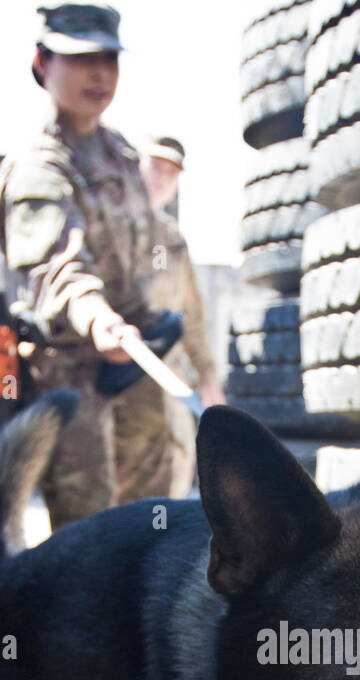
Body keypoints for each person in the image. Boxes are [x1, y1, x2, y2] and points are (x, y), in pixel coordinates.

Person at [0, 4, 186, 528]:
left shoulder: (121, 155)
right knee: (86, 535)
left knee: (151, 523)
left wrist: (152, 324)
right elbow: (58, 268)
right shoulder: (39, 166)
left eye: (108, 59)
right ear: (42, 63)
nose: (98, 73)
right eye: (79, 59)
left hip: (135, 360)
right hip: (73, 371)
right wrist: (99, 319)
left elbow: (140, 258)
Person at [127, 136, 226, 501]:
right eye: (156, 167)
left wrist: (209, 379)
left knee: (168, 492)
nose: (162, 178)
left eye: (172, 172)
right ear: (138, 166)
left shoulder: (172, 241)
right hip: (116, 381)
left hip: (167, 388)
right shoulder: (109, 226)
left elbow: (192, 318)